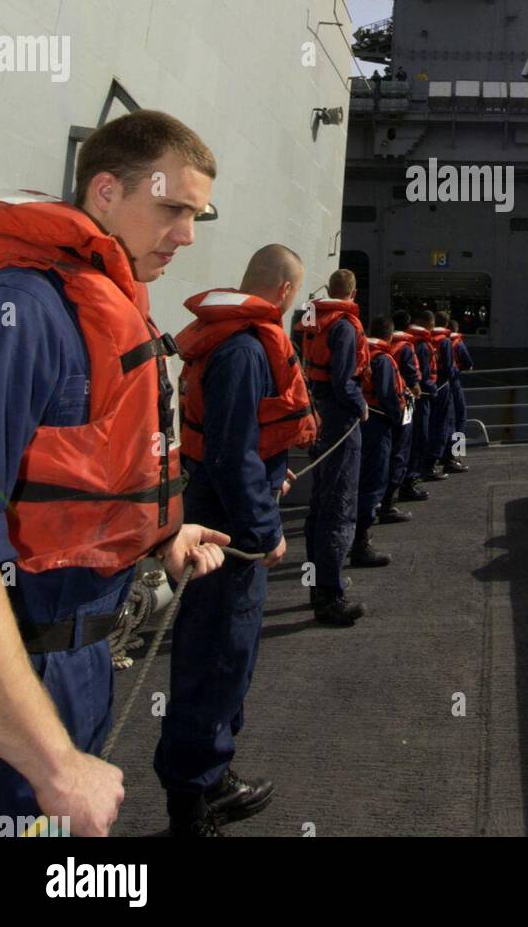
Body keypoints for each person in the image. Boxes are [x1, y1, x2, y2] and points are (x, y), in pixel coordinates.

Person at [0, 112, 229, 835]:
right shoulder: (25, 312)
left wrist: (159, 533)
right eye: (173, 209)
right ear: (104, 192)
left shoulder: (93, 307)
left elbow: (66, 479)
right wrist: (53, 763)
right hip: (22, 687)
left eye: (196, 215)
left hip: (84, 661)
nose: (188, 234)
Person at [154, 245, 317, 837]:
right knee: (216, 657)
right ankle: (193, 807)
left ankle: (214, 775)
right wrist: (263, 529)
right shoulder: (248, 350)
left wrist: (275, 474)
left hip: (223, 506)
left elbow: (237, 444)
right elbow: (229, 453)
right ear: (282, 292)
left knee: (230, 657)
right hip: (226, 528)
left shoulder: (232, 343)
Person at [302, 269, 369, 625]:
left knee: (319, 504)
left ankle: (315, 583)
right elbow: (345, 381)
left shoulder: (316, 320)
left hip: (319, 412)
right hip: (341, 418)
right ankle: (330, 595)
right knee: (339, 506)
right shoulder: (344, 327)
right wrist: (361, 405)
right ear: (353, 293)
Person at [353, 316, 406, 566]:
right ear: (390, 334)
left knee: (358, 479)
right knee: (374, 480)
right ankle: (361, 542)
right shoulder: (383, 359)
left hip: (359, 422)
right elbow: (387, 394)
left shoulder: (361, 352)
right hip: (378, 424)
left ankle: (354, 536)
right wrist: (398, 418)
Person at [385, 310, 424, 510]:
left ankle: (385, 495)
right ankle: (401, 490)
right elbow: (411, 376)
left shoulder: (386, 345)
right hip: (406, 401)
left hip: (382, 405)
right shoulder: (407, 347)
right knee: (404, 445)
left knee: (389, 449)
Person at [407, 310, 445, 484]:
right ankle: (453, 457)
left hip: (414, 394)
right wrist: (433, 388)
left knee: (415, 434)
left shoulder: (412, 342)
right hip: (436, 390)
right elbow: (452, 369)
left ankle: (442, 459)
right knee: (453, 423)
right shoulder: (434, 343)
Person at [431, 312, 464, 474]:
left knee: (433, 422)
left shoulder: (426, 340)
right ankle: (455, 455)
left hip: (429, 387)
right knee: (458, 417)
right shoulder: (454, 342)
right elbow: (467, 362)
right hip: (450, 384)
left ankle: (435, 457)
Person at [448, 318, 473, 443]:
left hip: (439, 384)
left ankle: (441, 453)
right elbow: (468, 363)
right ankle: (456, 451)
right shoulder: (457, 343)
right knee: (460, 415)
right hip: (454, 382)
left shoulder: (436, 341)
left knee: (445, 418)